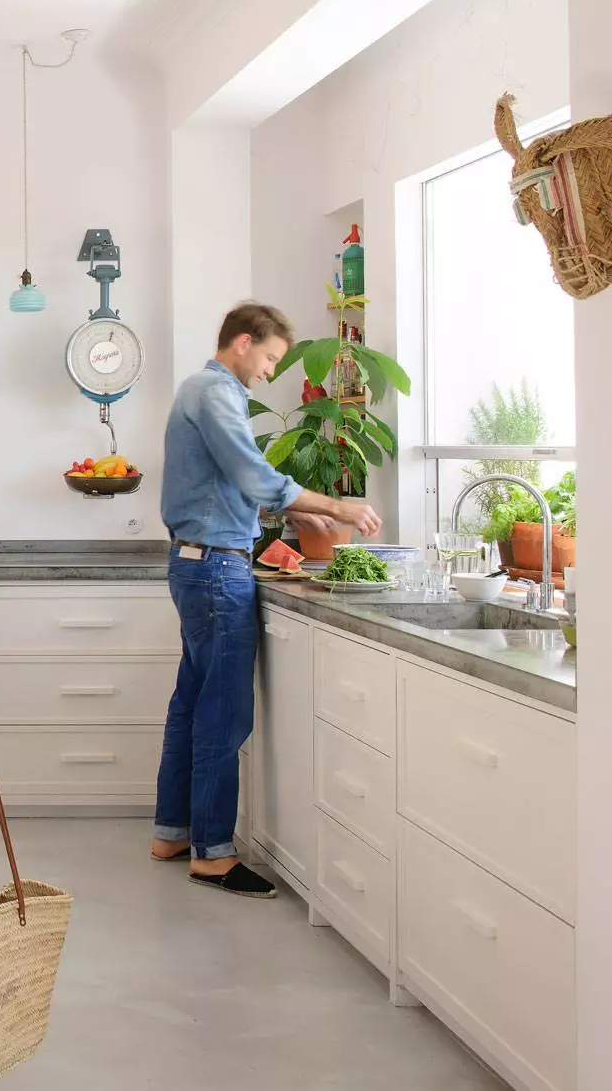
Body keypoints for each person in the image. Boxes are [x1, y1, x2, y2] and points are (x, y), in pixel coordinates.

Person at [153, 302, 381, 898]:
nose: (271, 373)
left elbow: (235, 484)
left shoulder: (200, 390)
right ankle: (214, 854)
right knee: (221, 713)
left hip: (195, 562)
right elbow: (256, 476)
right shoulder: (215, 391)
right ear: (243, 343)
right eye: (271, 359)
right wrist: (338, 507)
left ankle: (173, 832)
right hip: (216, 572)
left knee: (192, 701)